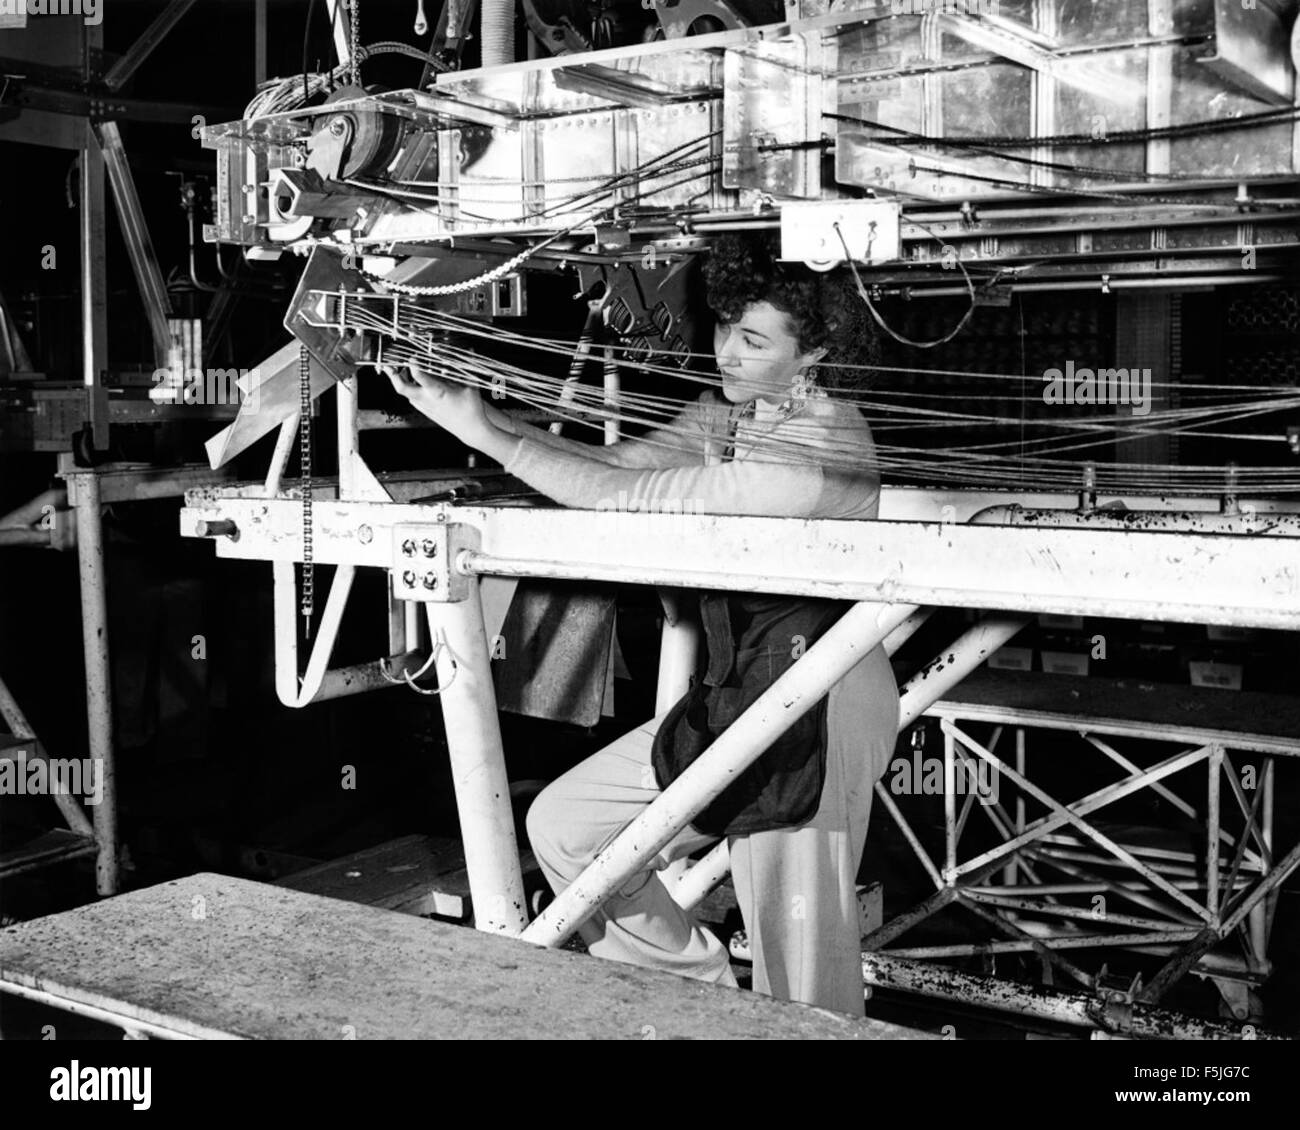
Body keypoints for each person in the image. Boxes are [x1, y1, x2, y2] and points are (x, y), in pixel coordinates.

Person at [385, 234, 900, 1016]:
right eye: (725, 325)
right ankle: (702, 1001)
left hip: (822, 704)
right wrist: (474, 413)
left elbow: (627, 501)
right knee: (565, 827)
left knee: (804, 978)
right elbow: (623, 466)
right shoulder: (730, 417)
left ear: (816, 352)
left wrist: (486, 433)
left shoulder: (821, 447)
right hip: (741, 689)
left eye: (753, 339)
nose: (725, 351)